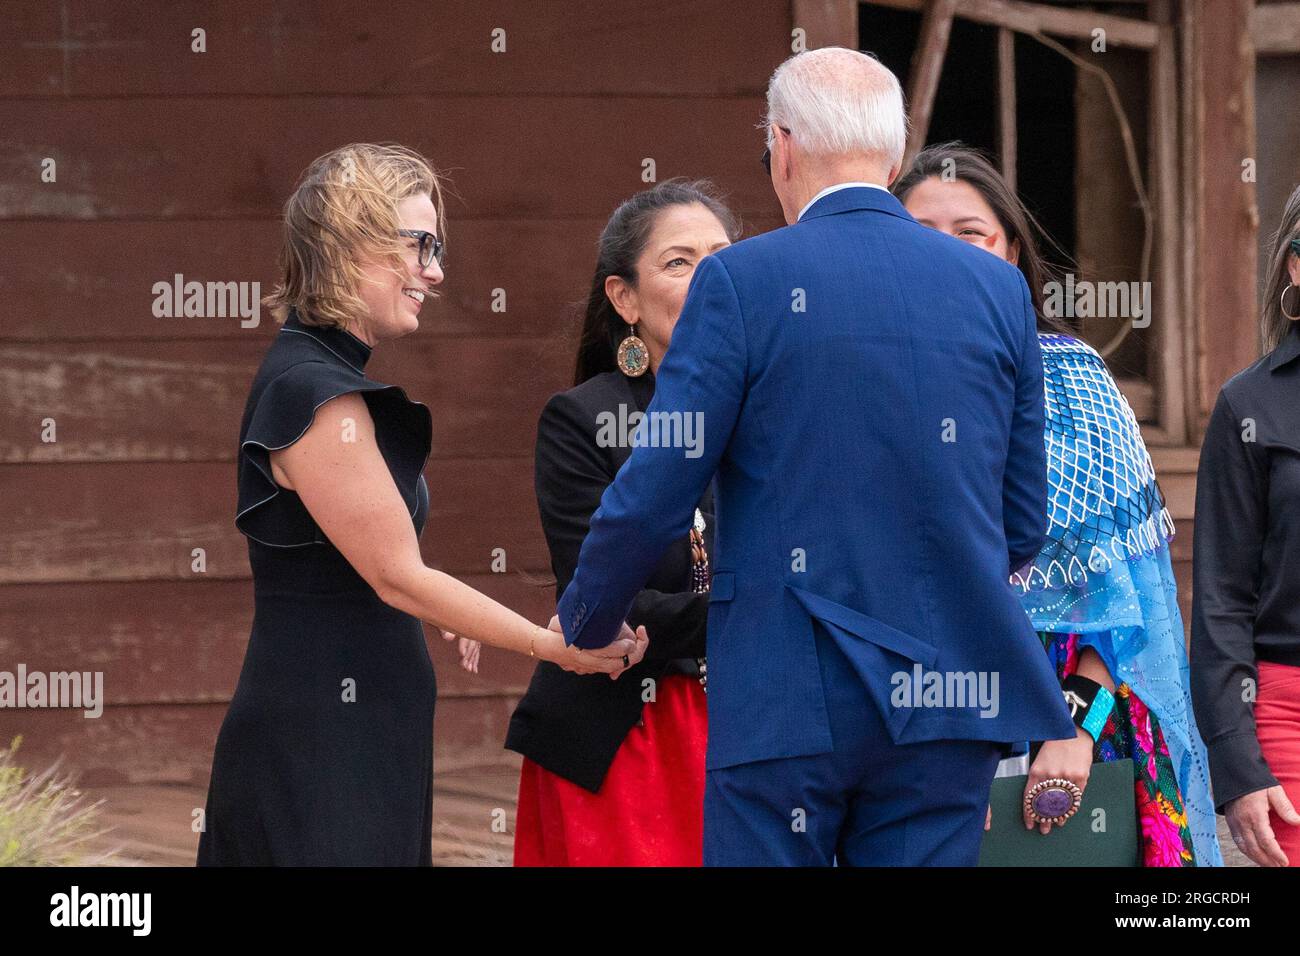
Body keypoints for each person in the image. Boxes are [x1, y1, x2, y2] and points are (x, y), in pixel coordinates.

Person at [550, 49, 1076, 866]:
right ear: (896, 158)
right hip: (947, 694)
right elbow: (1022, 517)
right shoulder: (994, 287)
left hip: (787, 690)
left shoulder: (739, 282)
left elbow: (657, 484)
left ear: (782, 146)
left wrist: (589, 615)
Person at [197, 143, 645, 866]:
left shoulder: (319, 378)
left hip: (360, 722)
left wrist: (434, 610)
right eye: (421, 245)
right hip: (322, 737)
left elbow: (367, 567)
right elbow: (395, 575)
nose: (435, 272)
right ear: (351, 244)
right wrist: (555, 647)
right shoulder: (312, 391)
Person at [895, 142, 1221, 866]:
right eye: (920, 234)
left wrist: (1072, 724)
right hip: (910, 724)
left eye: (970, 232)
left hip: (1067, 722)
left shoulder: (1073, 379)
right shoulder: (864, 384)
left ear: (1010, 250)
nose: (946, 254)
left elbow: (1123, 592)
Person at [505, 180, 739, 866]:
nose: (709, 277)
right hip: (624, 736)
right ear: (624, 299)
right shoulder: (584, 420)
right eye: (679, 261)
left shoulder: (776, 410)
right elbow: (601, 602)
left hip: (754, 724)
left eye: (723, 257)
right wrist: (753, 605)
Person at [1192, 184, 1300, 867]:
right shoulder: (1248, 405)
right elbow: (1221, 599)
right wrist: (1238, 764)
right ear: (1295, 267)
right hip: (1288, 709)